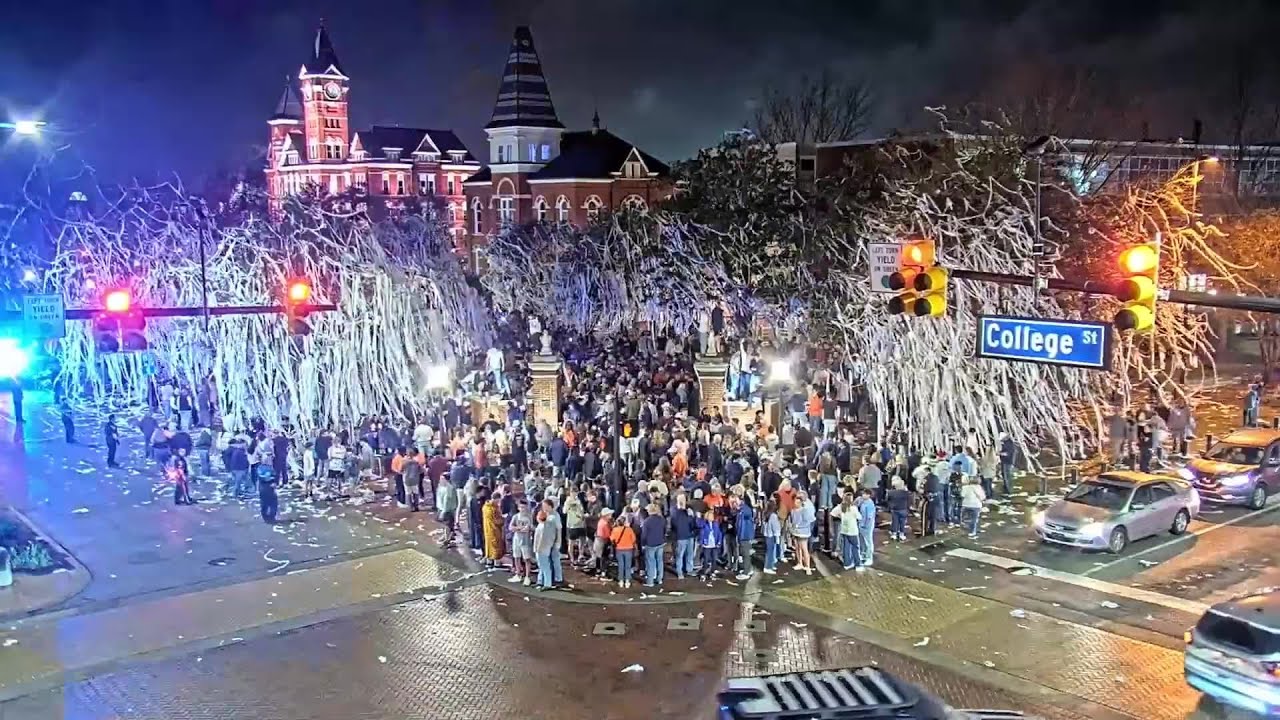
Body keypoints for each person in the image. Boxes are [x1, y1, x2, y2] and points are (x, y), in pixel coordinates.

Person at [831, 490, 861, 571]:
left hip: (844, 530)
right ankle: (858, 565)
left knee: (846, 547)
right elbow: (859, 517)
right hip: (853, 531)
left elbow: (832, 513)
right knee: (855, 547)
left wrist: (840, 517)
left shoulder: (840, 507)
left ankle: (847, 564)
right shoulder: (853, 508)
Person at [671, 493, 698, 579]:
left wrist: (692, 516)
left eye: (684, 500)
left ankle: (689, 570)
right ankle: (679, 572)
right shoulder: (674, 510)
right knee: (680, 555)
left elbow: (693, 523)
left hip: (690, 535)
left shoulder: (689, 510)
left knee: (690, 554)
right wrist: (682, 510)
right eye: (681, 500)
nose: (682, 501)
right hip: (680, 537)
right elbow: (674, 524)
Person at [640, 502, 666, 587]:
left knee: (651, 562)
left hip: (650, 544)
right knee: (660, 561)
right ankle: (659, 579)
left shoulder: (647, 521)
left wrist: (643, 544)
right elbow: (664, 530)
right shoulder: (662, 519)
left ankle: (650, 581)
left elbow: (644, 535)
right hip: (660, 543)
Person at [509, 499, 534, 586]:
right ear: (518, 508)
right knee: (516, 557)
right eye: (521, 507)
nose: (523, 509)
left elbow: (532, 527)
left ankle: (527, 576)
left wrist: (529, 528)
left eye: (524, 507)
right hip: (517, 539)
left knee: (527, 559)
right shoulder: (516, 517)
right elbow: (510, 527)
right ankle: (518, 573)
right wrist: (519, 528)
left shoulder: (529, 517)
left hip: (526, 540)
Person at [790, 491, 816, 575]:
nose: (795, 503)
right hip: (795, 531)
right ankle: (799, 563)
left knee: (804, 549)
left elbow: (808, 521)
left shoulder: (805, 510)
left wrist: (799, 526)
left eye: (797, 501)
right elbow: (792, 520)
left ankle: (807, 567)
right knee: (797, 547)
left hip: (803, 532)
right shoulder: (793, 510)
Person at [610, 514, 638, 589]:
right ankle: (627, 581)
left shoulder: (615, 530)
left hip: (619, 549)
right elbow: (634, 540)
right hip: (629, 549)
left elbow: (612, 539)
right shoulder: (629, 530)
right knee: (628, 566)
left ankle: (621, 581)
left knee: (621, 565)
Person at [696, 508, 722, 581]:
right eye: (710, 516)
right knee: (706, 559)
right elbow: (699, 525)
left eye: (712, 516)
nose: (711, 517)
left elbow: (719, 533)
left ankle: (712, 572)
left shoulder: (715, 524)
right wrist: (698, 518)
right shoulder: (704, 524)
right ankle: (703, 573)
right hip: (707, 545)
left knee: (714, 558)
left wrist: (719, 541)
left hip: (714, 544)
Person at [733, 494, 755, 581]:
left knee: (745, 553)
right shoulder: (742, 509)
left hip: (745, 534)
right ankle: (748, 569)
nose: (735, 502)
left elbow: (748, 515)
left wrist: (739, 509)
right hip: (742, 534)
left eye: (736, 500)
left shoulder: (745, 509)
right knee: (744, 552)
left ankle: (746, 572)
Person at [533, 509, 555, 590]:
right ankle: (540, 581)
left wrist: (538, 548)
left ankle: (547, 584)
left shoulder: (543, 527)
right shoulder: (544, 525)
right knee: (541, 566)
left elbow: (541, 539)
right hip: (544, 549)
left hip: (541, 549)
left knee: (545, 566)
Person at [482, 494, 505, 569]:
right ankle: (496, 563)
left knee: (488, 546)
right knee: (496, 545)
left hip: (487, 529)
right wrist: (503, 520)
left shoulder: (485, 507)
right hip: (494, 530)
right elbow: (497, 520)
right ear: (496, 499)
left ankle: (489, 561)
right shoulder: (493, 509)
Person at [857, 487, 876, 567]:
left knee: (868, 542)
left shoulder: (870, 504)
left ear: (869, 495)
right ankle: (863, 554)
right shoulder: (862, 501)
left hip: (867, 526)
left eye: (865, 494)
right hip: (861, 524)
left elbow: (869, 517)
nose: (863, 495)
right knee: (862, 541)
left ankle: (869, 558)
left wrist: (865, 525)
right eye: (863, 494)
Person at [761, 500, 782, 574]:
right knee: (770, 552)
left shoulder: (765, 514)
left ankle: (771, 565)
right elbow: (775, 527)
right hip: (771, 535)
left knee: (769, 551)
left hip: (767, 535)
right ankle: (767, 567)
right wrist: (777, 536)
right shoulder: (773, 516)